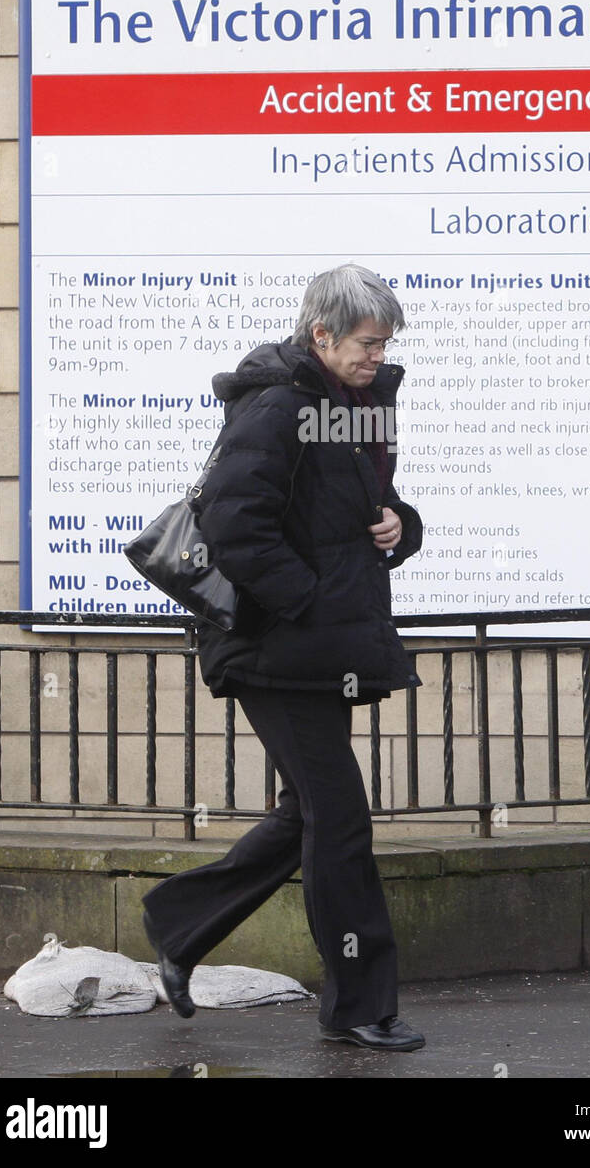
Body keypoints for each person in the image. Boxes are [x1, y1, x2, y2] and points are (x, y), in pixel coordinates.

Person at [141, 263, 425, 1051]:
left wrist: (400, 524)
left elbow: (363, 510)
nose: (378, 356)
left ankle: (178, 922)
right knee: (338, 820)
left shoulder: (356, 408)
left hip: (317, 645)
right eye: (367, 343)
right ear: (321, 334)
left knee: (309, 809)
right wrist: (307, 602)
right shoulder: (274, 407)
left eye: (386, 344)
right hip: (274, 646)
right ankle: (358, 1005)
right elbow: (237, 527)